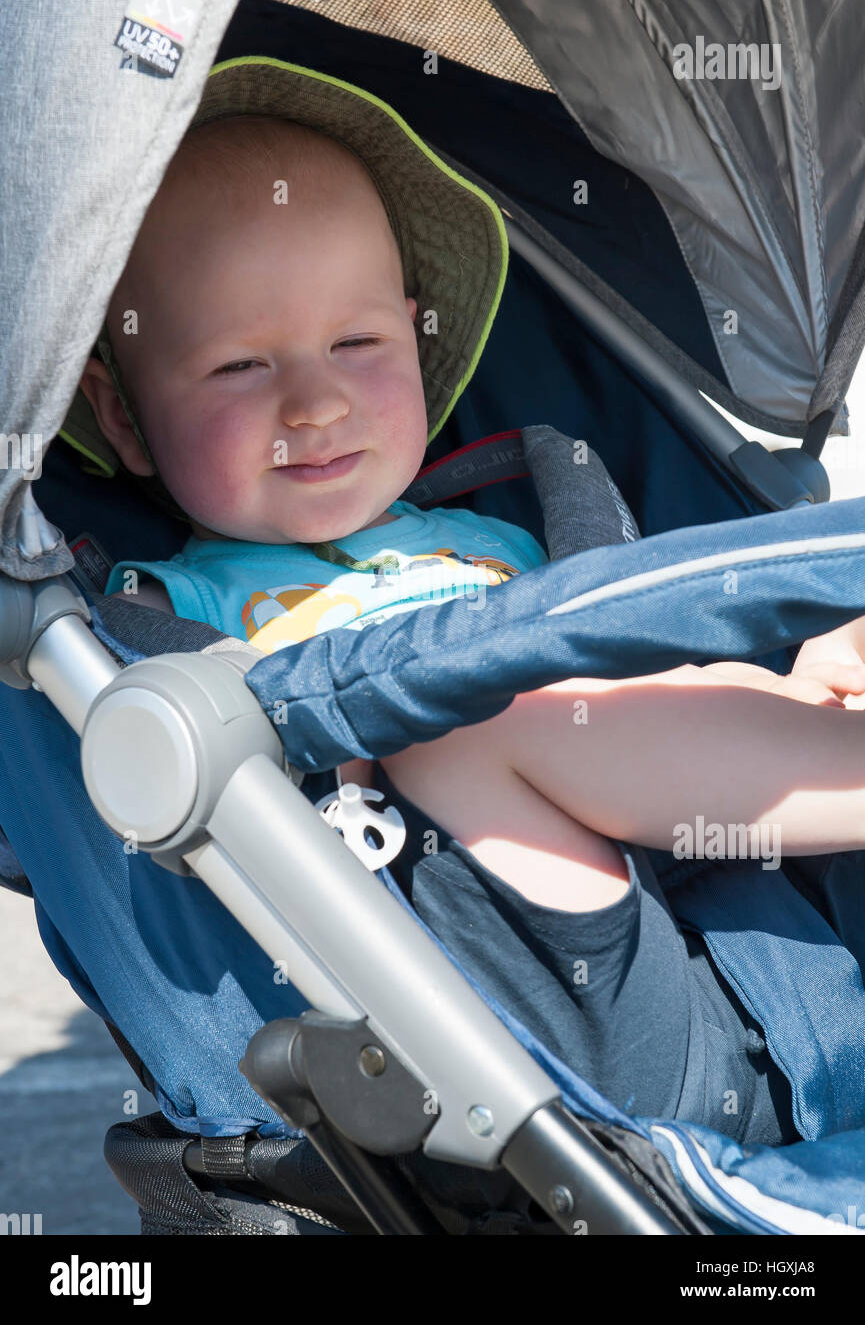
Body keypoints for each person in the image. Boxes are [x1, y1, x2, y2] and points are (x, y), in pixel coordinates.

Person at [72, 59, 865, 1140]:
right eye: (239, 366)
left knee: (704, 644)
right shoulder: (164, 621)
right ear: (121, 416)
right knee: (461, 710)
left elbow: (642, 693)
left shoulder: (501, 534)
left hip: (749, 964)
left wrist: (782, 681)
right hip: (548, 1034)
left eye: (357, 344)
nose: (316, 399)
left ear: (414, 333)